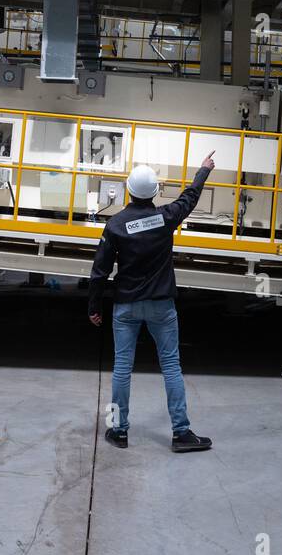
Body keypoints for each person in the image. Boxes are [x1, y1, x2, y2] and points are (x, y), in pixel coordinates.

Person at [87, 152, 215, 453]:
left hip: (126, 306)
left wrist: (94, 306)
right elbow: (190, 198)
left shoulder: (116, 225)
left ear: (128, 190)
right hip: (161, 305)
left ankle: (119, 431)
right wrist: (203, 170)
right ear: (156, 192)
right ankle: (181, 433)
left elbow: (99, 270)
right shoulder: (165, 217)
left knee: (121, 367)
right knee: (171, 366)